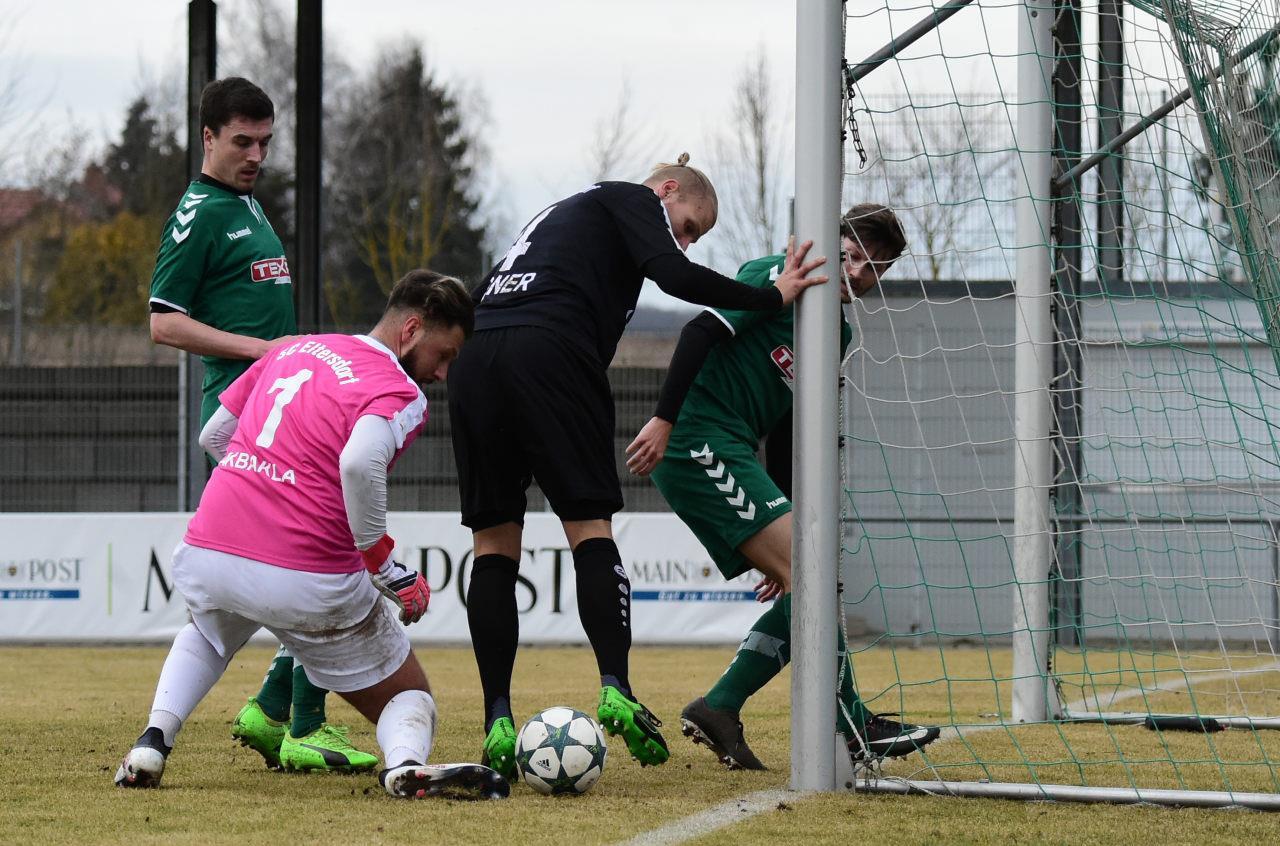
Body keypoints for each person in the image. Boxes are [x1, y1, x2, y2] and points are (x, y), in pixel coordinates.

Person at [447, 154, 829, 778]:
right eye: (687, 225)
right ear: (668, 189)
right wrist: (770, 294)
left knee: (493, 545)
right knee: (590, 530)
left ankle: (496, 717)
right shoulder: (628, 198)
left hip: (477, 357)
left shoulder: (555, 218)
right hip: (549, 353)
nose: (682, 239)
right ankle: (615, 687)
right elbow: (674, 276)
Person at [116, 270, 507, 800]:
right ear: (411, 330)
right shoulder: (398, 389)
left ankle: (151, 743)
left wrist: (268, 481)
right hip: (307, 575)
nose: (441, 373)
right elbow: (359, 462)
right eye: (445, 354)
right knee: (410, 696)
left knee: (210, 631)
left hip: (213, 547)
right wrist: (383, 565)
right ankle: (405, 765)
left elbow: (215, 434)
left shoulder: (296, 349)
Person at [629, 204, 941, 770]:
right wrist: (664, 418)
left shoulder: (836, 329)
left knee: (811, 576)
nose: (863, 276)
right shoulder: (775, 274)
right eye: (855, 257)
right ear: (833, 244)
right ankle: (851, 725)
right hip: (697, 441)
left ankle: (723, 705)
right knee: (812, 575)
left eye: (878, 269)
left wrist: (786, 521)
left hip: (731, 448)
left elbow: (788, 428)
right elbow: (701, 331)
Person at [147, 76, 374, 773]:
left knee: (308, 565)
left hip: (269, 409)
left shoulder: (245, 204)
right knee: (323, 561)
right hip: (241, 412)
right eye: (242, 141)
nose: (256, 154)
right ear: (208, 137)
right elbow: (163, 322)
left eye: (265, 142)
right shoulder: (201, 213)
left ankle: (271, 711)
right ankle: (302, 723)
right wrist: (264, 353)